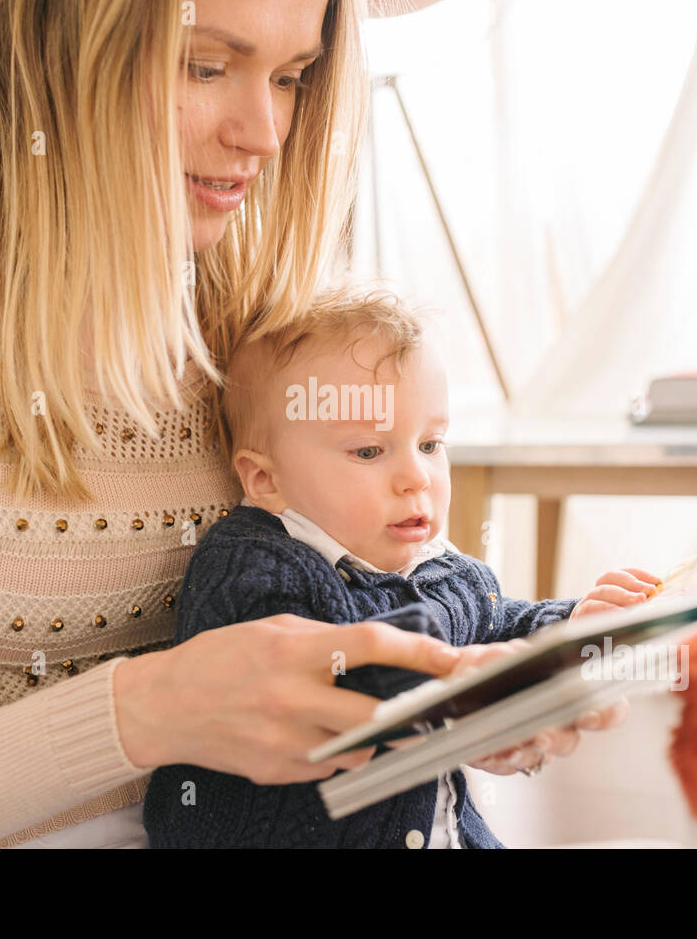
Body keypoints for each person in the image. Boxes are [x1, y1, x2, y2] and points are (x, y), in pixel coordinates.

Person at [0, 0, 627, 849]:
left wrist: (474, 699)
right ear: (61, 53)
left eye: (290, 77)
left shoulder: (267, 325)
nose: (264, 131)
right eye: (205, 66)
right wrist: (155, 710)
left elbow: (394, 578)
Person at [143, 286, 661, 847]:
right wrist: (467, 687)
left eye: (431, 444)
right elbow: (331, 682)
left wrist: (570, 625)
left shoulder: (441, 568)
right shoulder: (252, 565)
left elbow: (498, 624)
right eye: (369, 451)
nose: (417, 477)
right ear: (265, 480)